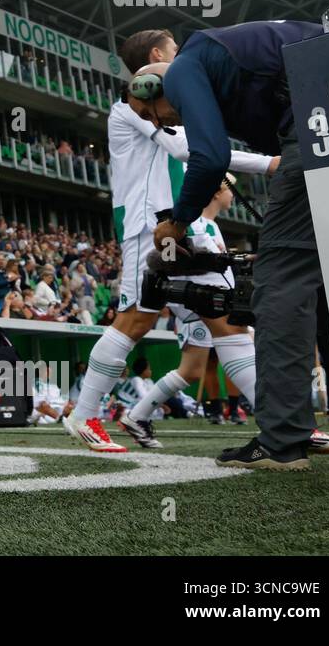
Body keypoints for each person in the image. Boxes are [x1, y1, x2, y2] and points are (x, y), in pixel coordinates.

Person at [126, 19, 329, 471]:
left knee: (281, 283)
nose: (161, 125)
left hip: (322, 124)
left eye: (150, 115)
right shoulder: (215, 61)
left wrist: (176, 225)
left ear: (149, 85)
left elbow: (210, 158)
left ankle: (283, 442)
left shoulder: (182, 70)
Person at [64, 28, 276, 455]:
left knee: (228, 321)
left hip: (183, 226)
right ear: (158, 56)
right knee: (135, 321)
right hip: (151, 227)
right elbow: (189, 151)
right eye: (175, 51)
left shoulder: (167, 99)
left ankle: (281, 426)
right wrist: (269, 163)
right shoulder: (130, 104)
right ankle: (83, 415)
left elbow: (198, 148)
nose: (182, 57)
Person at [115, 177, 262, 449]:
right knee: (242, 344)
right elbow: (167, 261)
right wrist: (215, 261)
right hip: (202, 304)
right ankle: (276, 422)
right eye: (231, 189)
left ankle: (136, 416)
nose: (234, 195)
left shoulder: (210, 224)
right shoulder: (192, 222)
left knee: (191, 370)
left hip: (210, 302)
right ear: (217, 192)